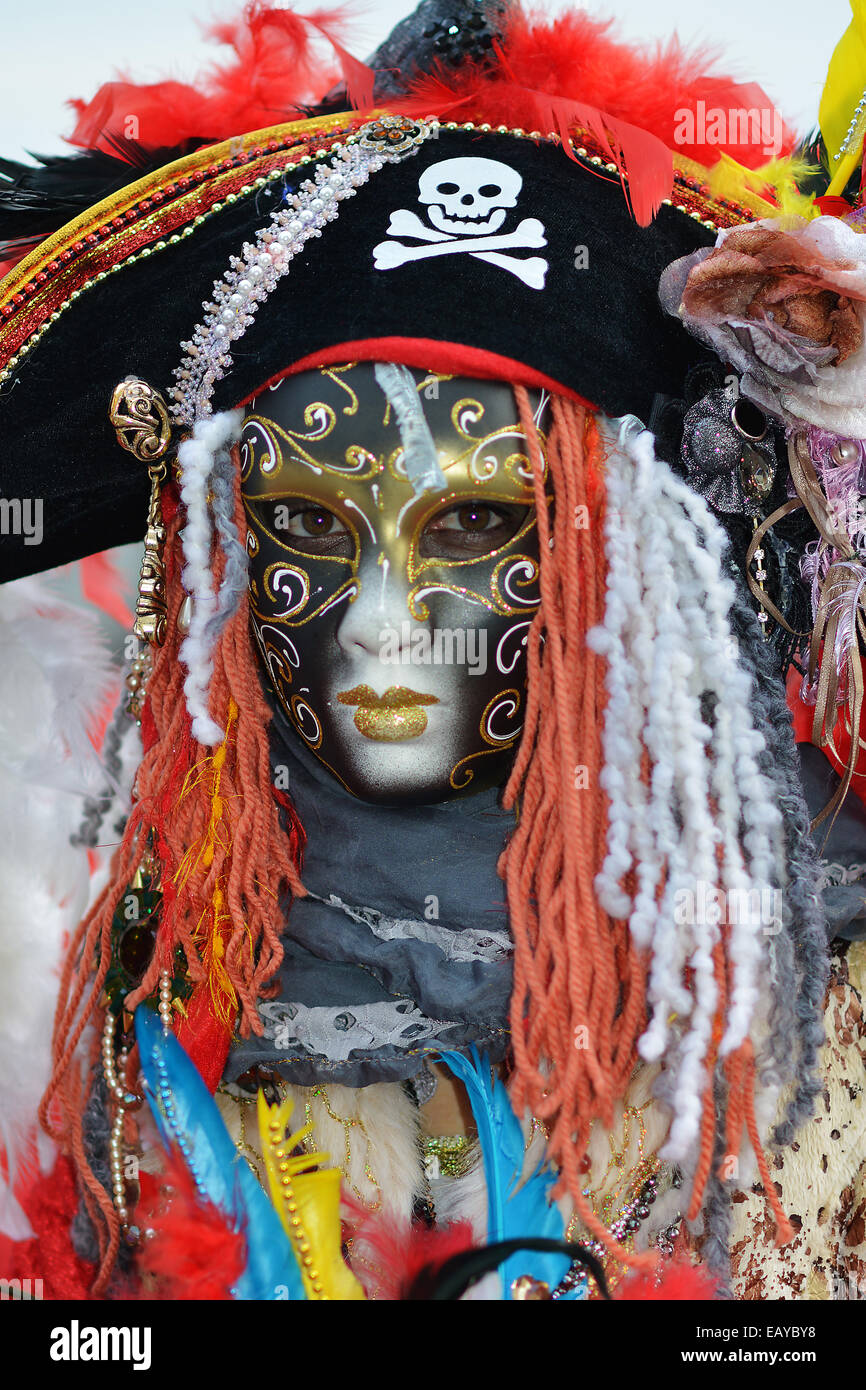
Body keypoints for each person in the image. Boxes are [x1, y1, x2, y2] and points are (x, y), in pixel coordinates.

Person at [0, 0, 864, 1301]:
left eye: (475, 522)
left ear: (631, 560)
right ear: (216, 546)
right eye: (303, 522)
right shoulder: (98, 960)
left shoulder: (804, 979)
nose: (380, 622)